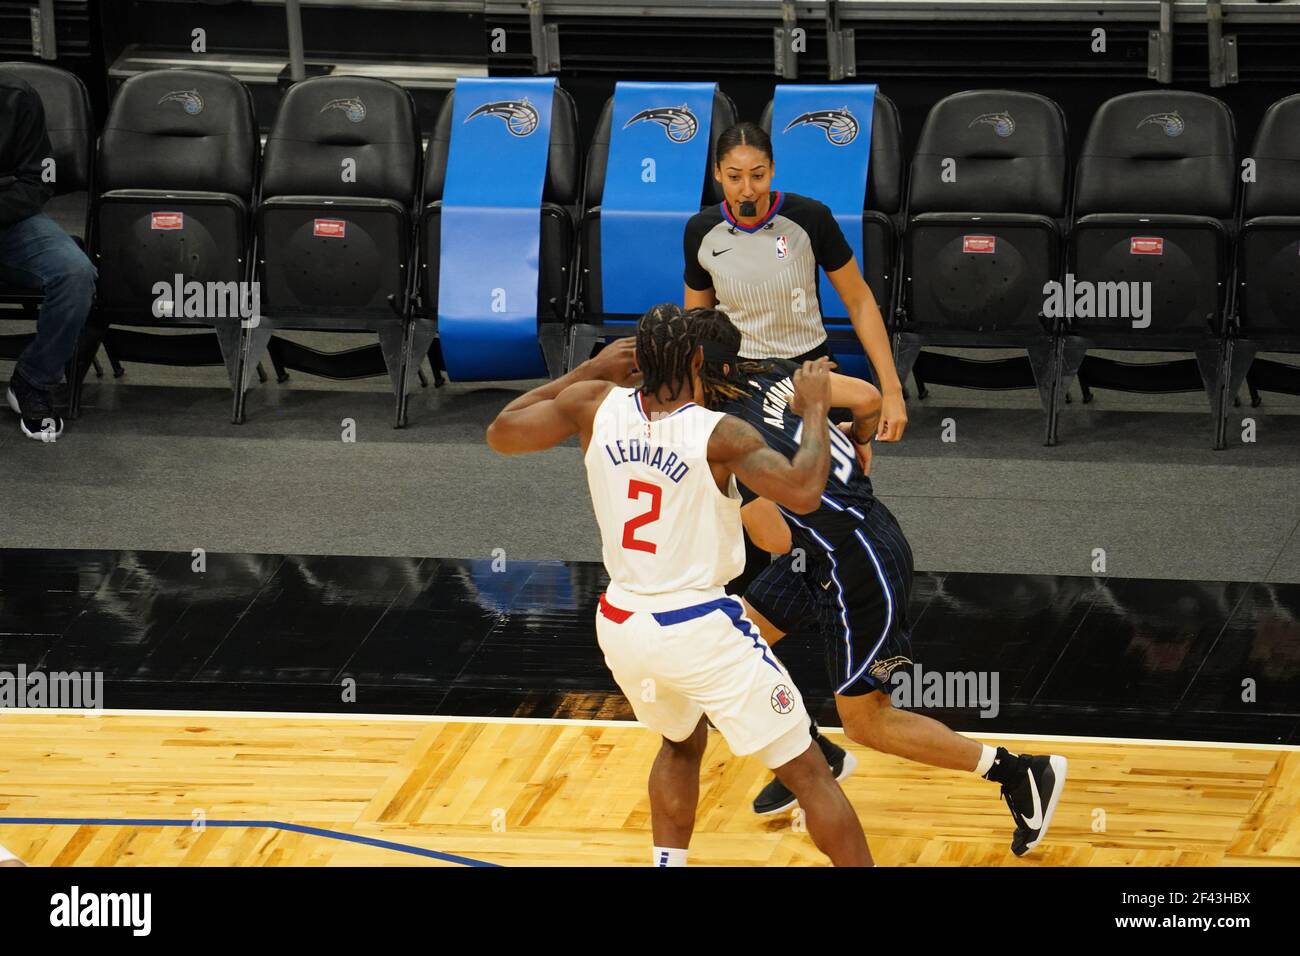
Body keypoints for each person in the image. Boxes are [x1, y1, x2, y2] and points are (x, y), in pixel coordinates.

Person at [486, 303, 871, 867]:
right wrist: (814, 410)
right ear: (697, 360)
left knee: (682, 741)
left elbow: (501, 433)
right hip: (697, 628)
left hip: (621, 625)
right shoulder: (719, 433)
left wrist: (582, 373)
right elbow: (804, 491)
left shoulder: (593, 405)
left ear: (635, 359)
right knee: (810, 771)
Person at [690, 306, 1068, 857]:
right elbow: (867, 399)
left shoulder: (728, 435)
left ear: (702, 369)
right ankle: (812, 750)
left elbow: (771, 540)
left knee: (867, 721)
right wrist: (859, 444)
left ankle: (1018, 773)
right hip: (821, 549)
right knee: (726, 649)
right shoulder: (775, 370)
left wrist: (725, 495)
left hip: (856, 561)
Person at [682, 121, 906, 441]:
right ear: (717, 173)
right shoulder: (700, 230)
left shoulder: (811, 217)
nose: (747, 188)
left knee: (829, 482)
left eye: (757, 175)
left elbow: (859, 301)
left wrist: (892, 390)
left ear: (772, 170)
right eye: (734, 177)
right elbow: (697, 325)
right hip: (738, 377)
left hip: (810, 370)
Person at [0, 72, 97, 441]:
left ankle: (33, 379)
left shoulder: (16, 96)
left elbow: (38, 181)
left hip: (11, 221)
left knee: (74, 274)